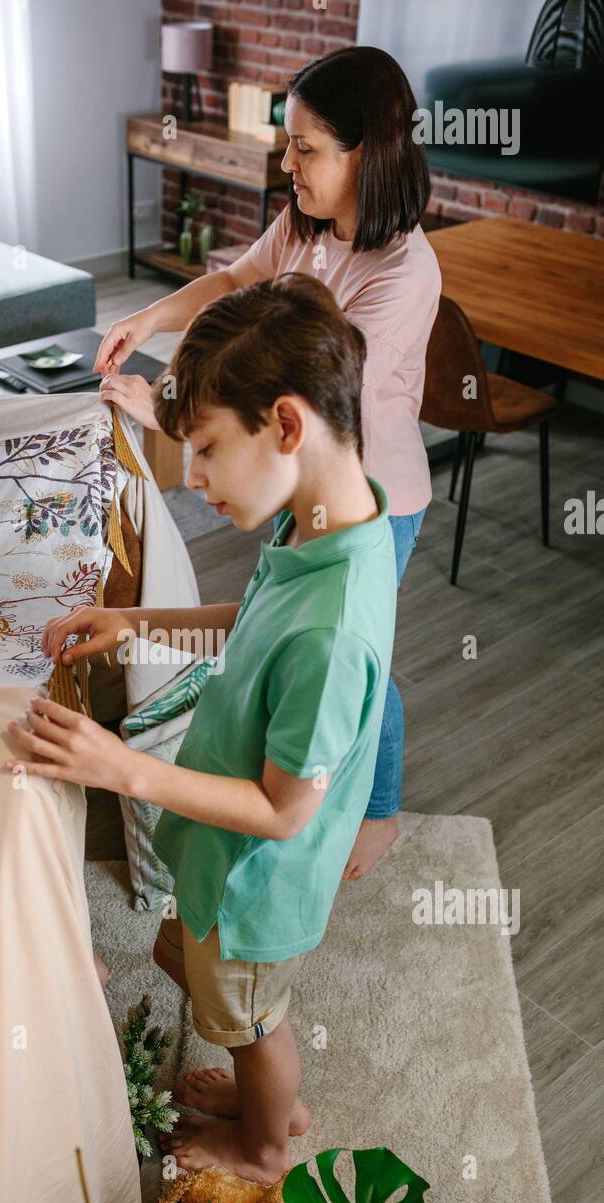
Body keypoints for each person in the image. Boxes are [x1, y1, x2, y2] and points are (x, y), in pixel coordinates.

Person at [1, 273, 397, 1183]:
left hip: (258, 879)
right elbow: (251, 613)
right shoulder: (322, 521)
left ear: (286, 426)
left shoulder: (334, 627)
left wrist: (124, 768)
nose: (198, 481)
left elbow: (285, 810)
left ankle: (265, 1140)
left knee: (252, 1020)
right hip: (225, 857)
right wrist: (138, 624)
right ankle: (268, 1096)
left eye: (208, 452)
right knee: (216, 994)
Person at [94, 46, 441, 882]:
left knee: (356, 658)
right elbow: (233, 284)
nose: (288, 164)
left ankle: (377, 810)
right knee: (285, 626)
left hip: (375, 498)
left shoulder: (404, 273)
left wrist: (172, 412)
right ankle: (296, 757)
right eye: (289, 143)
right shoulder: (306, 225)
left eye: (307, 148)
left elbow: (299, 394)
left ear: (370, 153)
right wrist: (148, 320)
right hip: (300, 477)